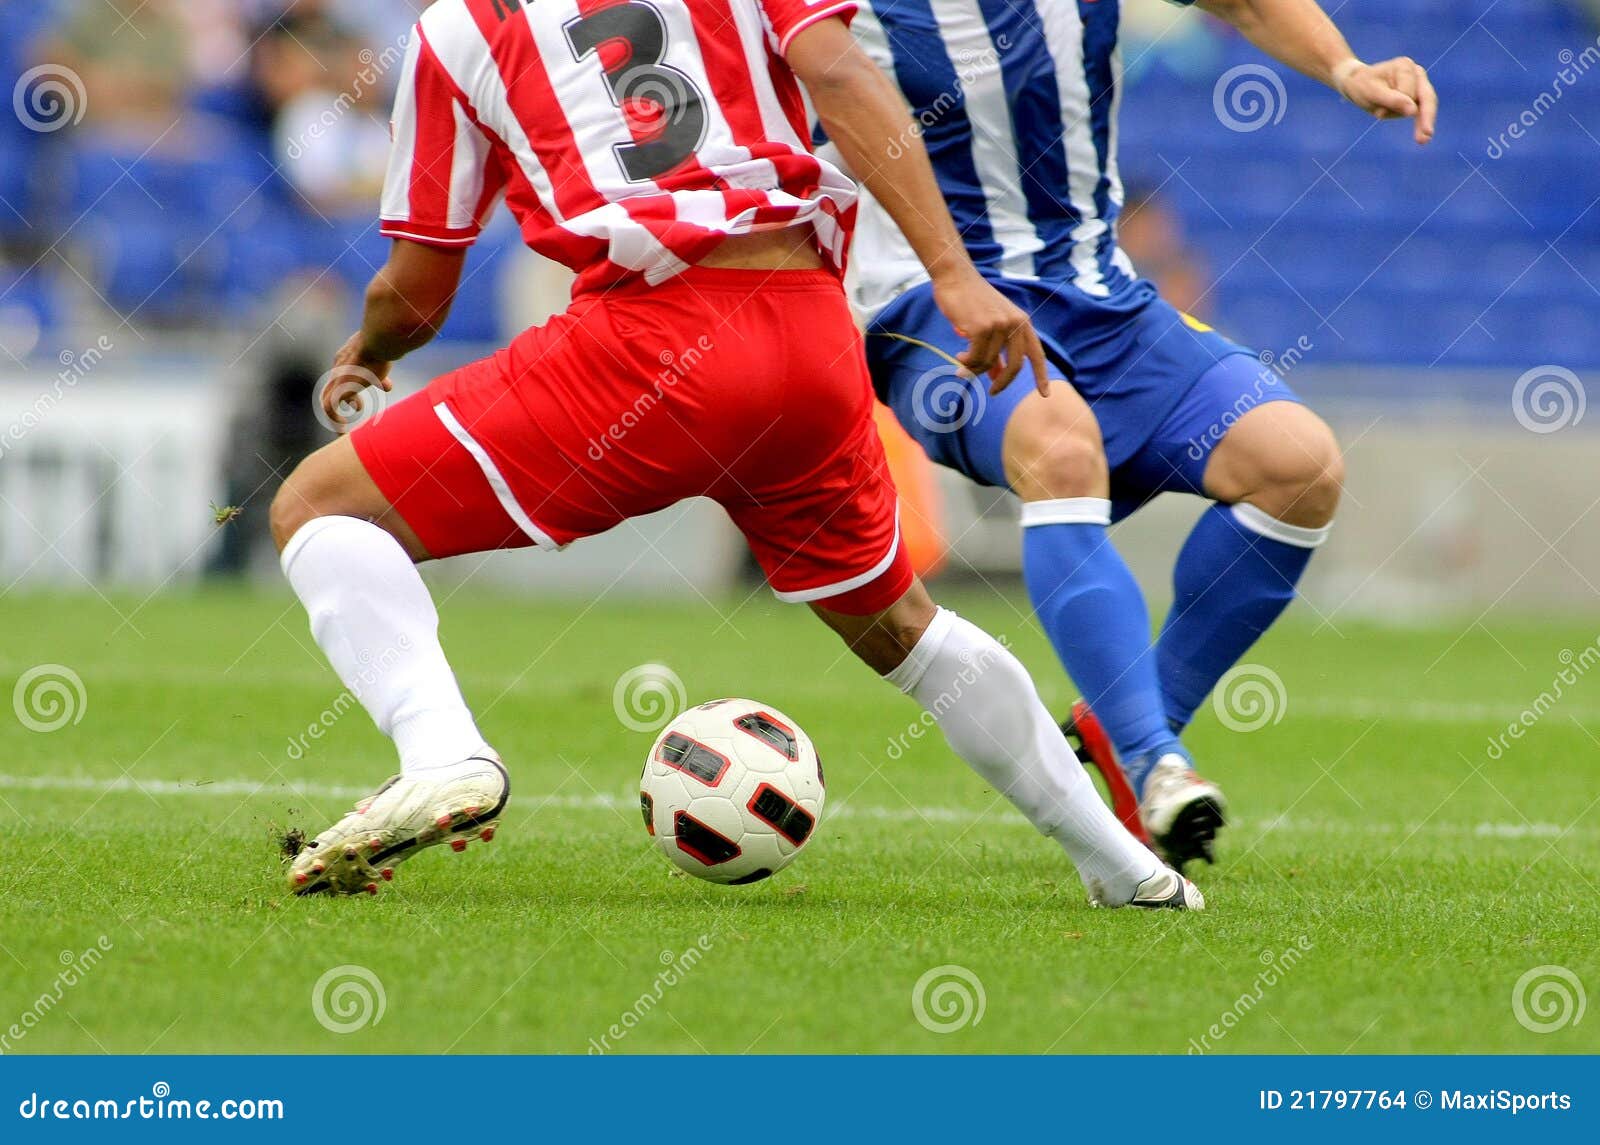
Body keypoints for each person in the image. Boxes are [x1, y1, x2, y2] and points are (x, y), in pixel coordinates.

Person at [268, 0, 1201, 911]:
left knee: (318, 509)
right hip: (806, 331)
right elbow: (839, 70)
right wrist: (952, 274)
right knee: (902, 627)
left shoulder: (457, 30)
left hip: (647, 341)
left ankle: (441, 753)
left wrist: (374, 348)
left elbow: (421, 286)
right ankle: (1125, 866)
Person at [845, 0, 1436, 866]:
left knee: (1298, 466)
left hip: (1101, 296)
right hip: (930, 304)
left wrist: (1346, 68)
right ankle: (1152, 761)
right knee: (1061, 446)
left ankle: (1127, 716)